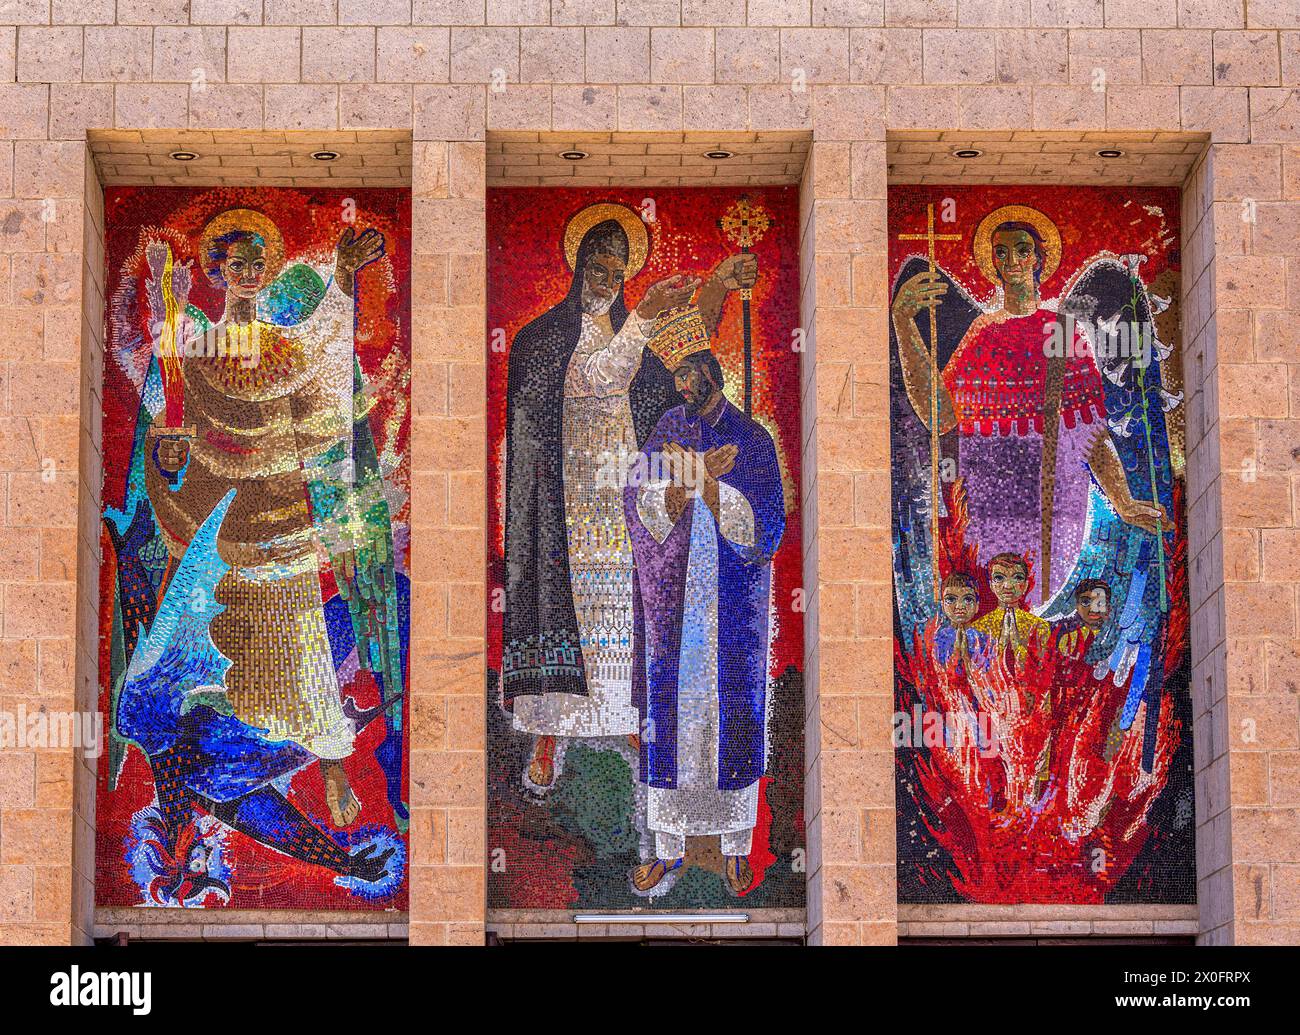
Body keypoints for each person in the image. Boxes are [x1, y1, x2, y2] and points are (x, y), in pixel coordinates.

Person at [501, 200, 757, 793]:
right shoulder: (546, 337)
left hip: (628, 491)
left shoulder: (634, 329)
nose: (606, 281)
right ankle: (549, 738)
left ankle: (633, 733)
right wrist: (643, 314)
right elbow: (598, 376)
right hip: (568, 500)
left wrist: (718, 283)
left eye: (617, 272)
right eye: (597, 267)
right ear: (578, 266)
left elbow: (687, 364)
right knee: (574, 614)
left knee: (629, 607)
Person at [146, 208, 386, 829]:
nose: (249, 273)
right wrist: (169, 444)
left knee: (301, 644)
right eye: (237, 263)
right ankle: (227, 781)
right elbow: (171, 398)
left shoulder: (283, 348)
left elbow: (325, 347)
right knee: (230, 652)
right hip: (221, 519)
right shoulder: (199, 343)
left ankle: (333, 765)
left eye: (259, 263)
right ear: (218, 272)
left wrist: (342, 276)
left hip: (281, 514)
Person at [892, 206, 1168, 606]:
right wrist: (903, 322)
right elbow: (940, 416)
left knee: (1033, 609)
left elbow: (1090, 434)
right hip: (983, 499)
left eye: (1021, 250)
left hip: (1054, 500)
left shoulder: (1061, 331)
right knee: (988, 610)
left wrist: (1122, 499)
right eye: (1001, 253)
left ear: (1039, 258)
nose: (1012, 262)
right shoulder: (983, 334)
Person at [623, 308, 785, 897]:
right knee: (668, 716)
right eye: (676, 381)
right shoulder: (667, 428)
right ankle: (666, 849)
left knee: (736, 711)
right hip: (674, 598)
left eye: (689, 377)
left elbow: (768, 526)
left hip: (732, 601)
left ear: (712, 374)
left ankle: (738, 846)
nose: (682, 388)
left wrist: (715, 487)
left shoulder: (753, 439)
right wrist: (681, 484)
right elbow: (637, 502)